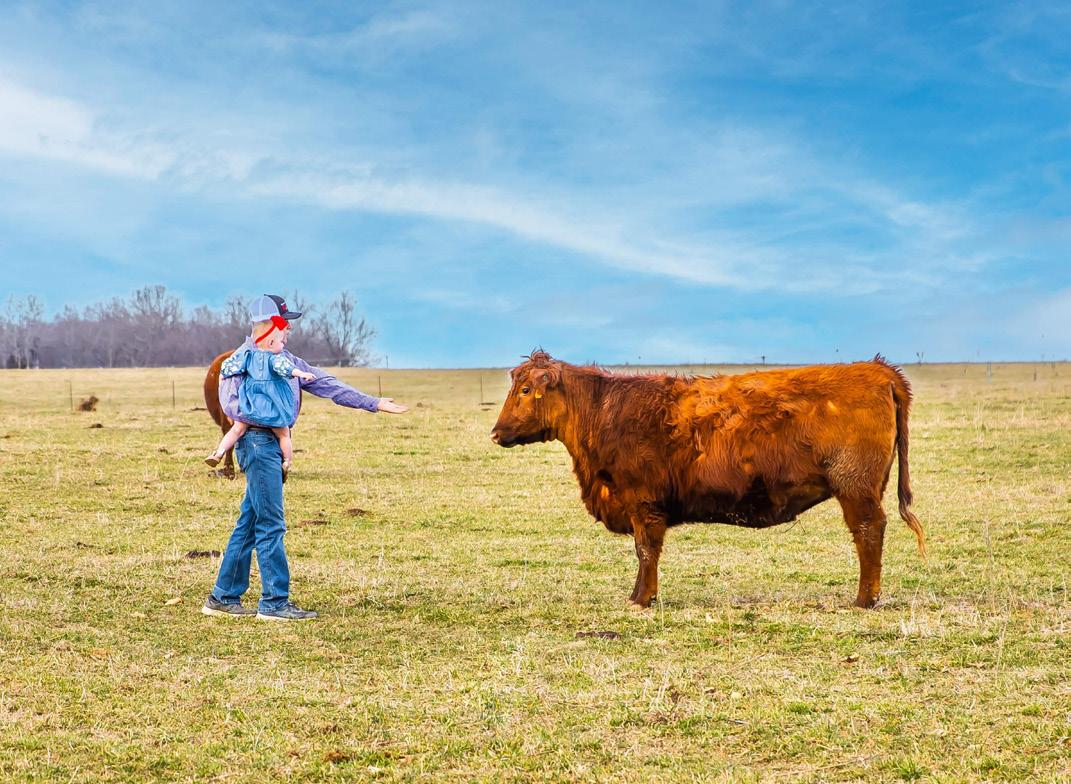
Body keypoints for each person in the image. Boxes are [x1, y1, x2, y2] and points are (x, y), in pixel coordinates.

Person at [202, 294, 408, 621]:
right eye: (284, 324)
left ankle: (223, 596)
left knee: (251, 520)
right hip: (257, 444)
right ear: (269, 325)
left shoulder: (286, 359)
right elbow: (231, 407)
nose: (289, 330)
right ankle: (274, 603)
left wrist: (373, 402)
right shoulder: (240, 362)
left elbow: (325, 383)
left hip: (268, 443)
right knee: (271, 523)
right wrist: (271, 420)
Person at [204, 325, 315, 479]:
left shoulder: (248, 356)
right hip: (271, 410)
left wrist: (222, 377)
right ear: (271, 343)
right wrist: (302, 373)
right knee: (284, 434)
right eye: (281, 342)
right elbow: (287, 369)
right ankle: (287, 461)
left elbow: (229, 367)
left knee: (236, 430)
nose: (284, 344)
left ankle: (218, 453)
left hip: (250, 408)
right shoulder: (275, 359)